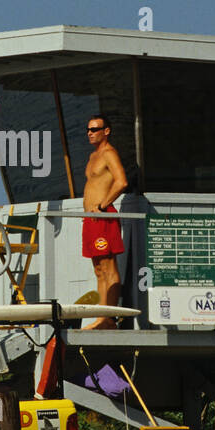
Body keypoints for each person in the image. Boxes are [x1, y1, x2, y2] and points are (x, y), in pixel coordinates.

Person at [81, 114, 128, 329]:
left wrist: (102, 205)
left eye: (95, 129)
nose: (90, 133)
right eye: (88, 130)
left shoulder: (109, 153)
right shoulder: (93, 156)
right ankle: (102, 317)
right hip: (91, 219)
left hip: (103, 215)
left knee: (109, 268)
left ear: (106, 131)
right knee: (98, 269)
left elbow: (121, 181)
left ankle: (110, 318)